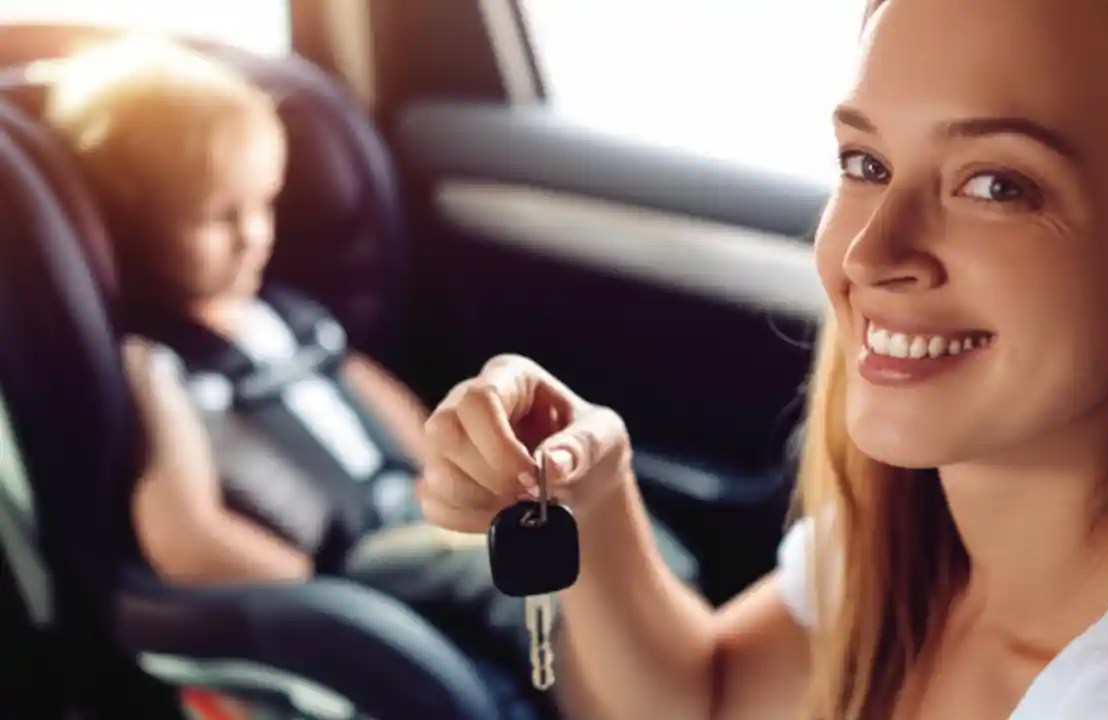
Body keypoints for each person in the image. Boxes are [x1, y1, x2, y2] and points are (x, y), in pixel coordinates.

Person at [416, 0, 1108, 717]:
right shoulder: (910, 552)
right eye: (866, 163)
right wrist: (592, 494)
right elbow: (709, 699)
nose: (870, 254)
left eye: (995, 184)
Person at [45, 36, 697, 718]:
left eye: (262, 205)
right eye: (217, 218)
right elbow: (184, 533)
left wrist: (456, 483)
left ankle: (682, 649)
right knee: (543, 586)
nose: (252, 235)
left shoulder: (286, 316)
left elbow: (377, 397)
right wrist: (319, 596)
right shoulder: (161, 365)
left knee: (595, 532)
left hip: (416, 513)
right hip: (353, 559)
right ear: (129, 222)